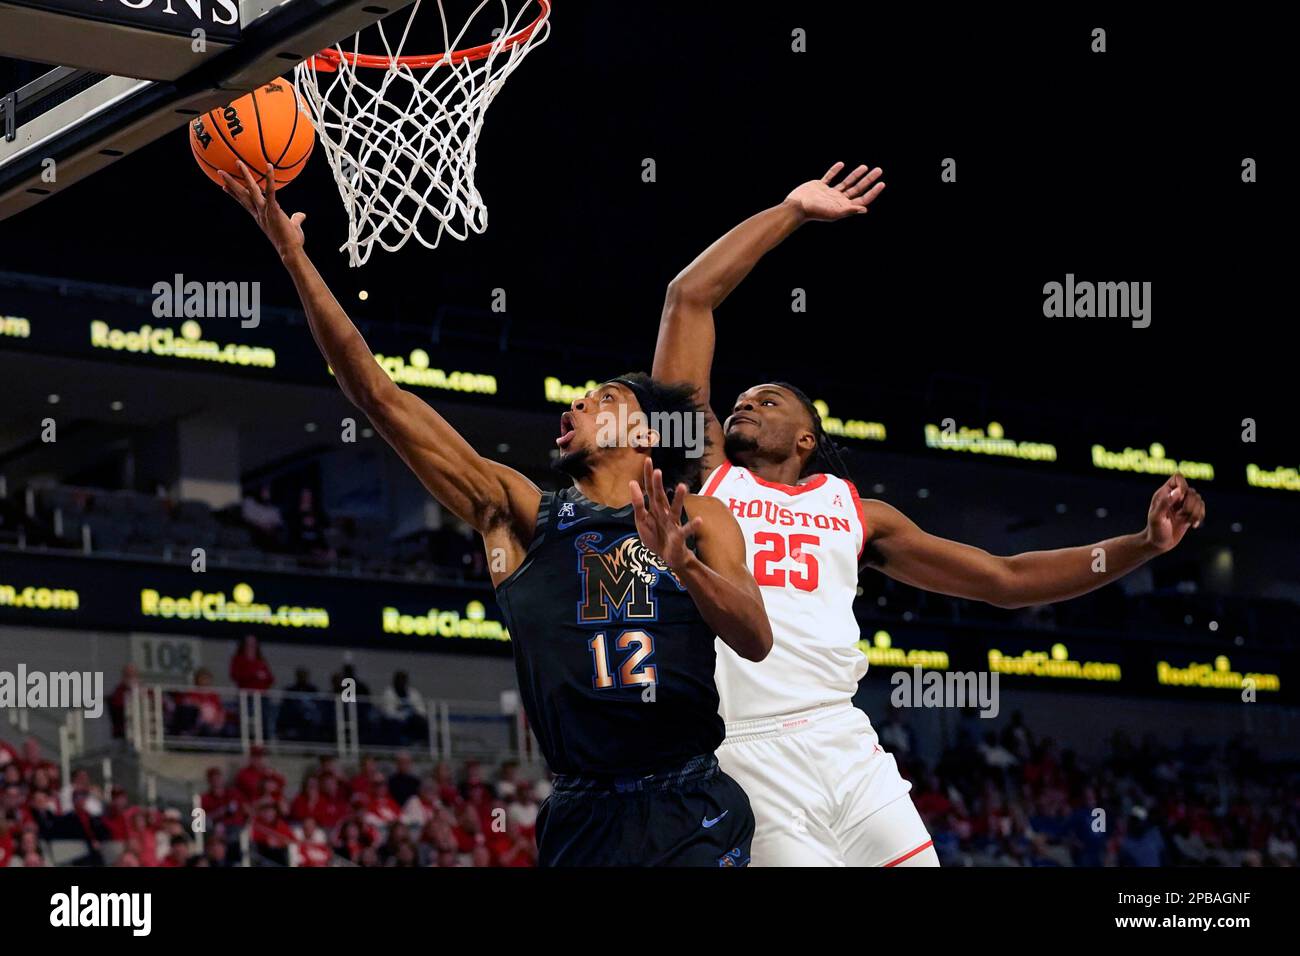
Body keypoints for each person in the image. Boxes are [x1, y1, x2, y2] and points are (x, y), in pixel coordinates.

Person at [653, 161, 1207, 867]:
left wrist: (1142, 544)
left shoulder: (859, 513)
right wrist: (790, 211)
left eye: (769, 399)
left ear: (807, 439)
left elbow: (1004, 579)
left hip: (845, 742)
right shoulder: (709, 475)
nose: (744, 403)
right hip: (746, 749)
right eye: (742, 398)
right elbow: (687, 300)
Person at [220, 160, 773, 867]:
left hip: (691, 802)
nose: (573, 406)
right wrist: (294, 258)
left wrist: (685, 566)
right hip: (582, 812)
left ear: (646, 437)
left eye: (601, 399)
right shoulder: (518, 516)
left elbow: (755, 639)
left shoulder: (701, 518)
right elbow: (379, 397)